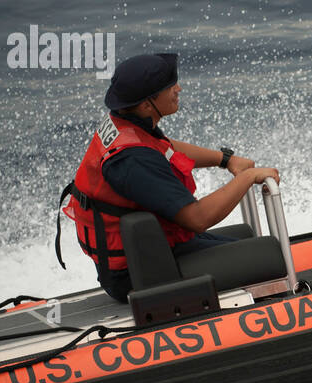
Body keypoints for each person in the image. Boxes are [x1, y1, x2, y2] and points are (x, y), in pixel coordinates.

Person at [58, 53, 280, 301]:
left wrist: (225, 160)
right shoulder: (133, 161)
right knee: (270, 251)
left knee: (247, 235)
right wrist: (247, 177)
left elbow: (166, 148)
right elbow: (197, 218)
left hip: (149, 249)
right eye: (169, 87)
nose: (179, 88)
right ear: (145, 105)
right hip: (141, 274)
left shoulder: (127, 122)